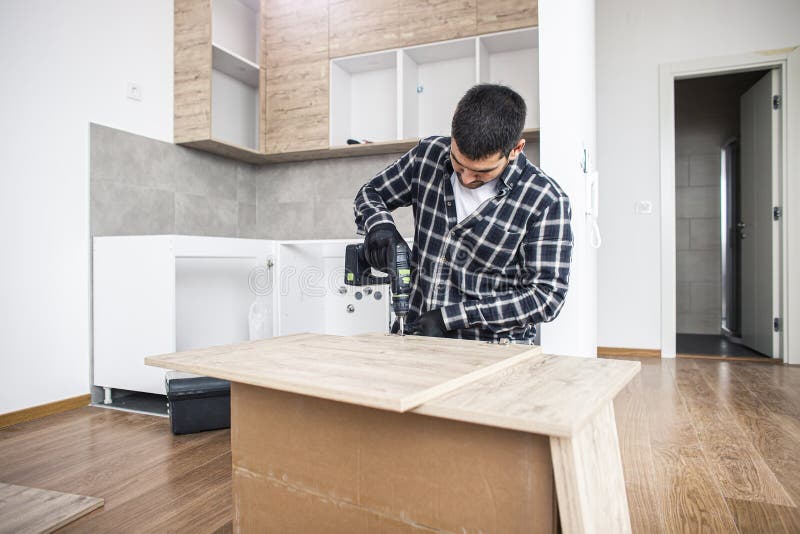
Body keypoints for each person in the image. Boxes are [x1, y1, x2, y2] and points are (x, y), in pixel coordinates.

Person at [353, 84, 573, 343]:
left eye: (481, 172)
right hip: (414, 337)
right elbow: (371, 193)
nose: (467, 178)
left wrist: (452, 317)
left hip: (490, 350)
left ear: (516, 149)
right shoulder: (429, 156)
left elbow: (546, 297)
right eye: (458, 164)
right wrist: (380, 226)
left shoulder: (545, 200)